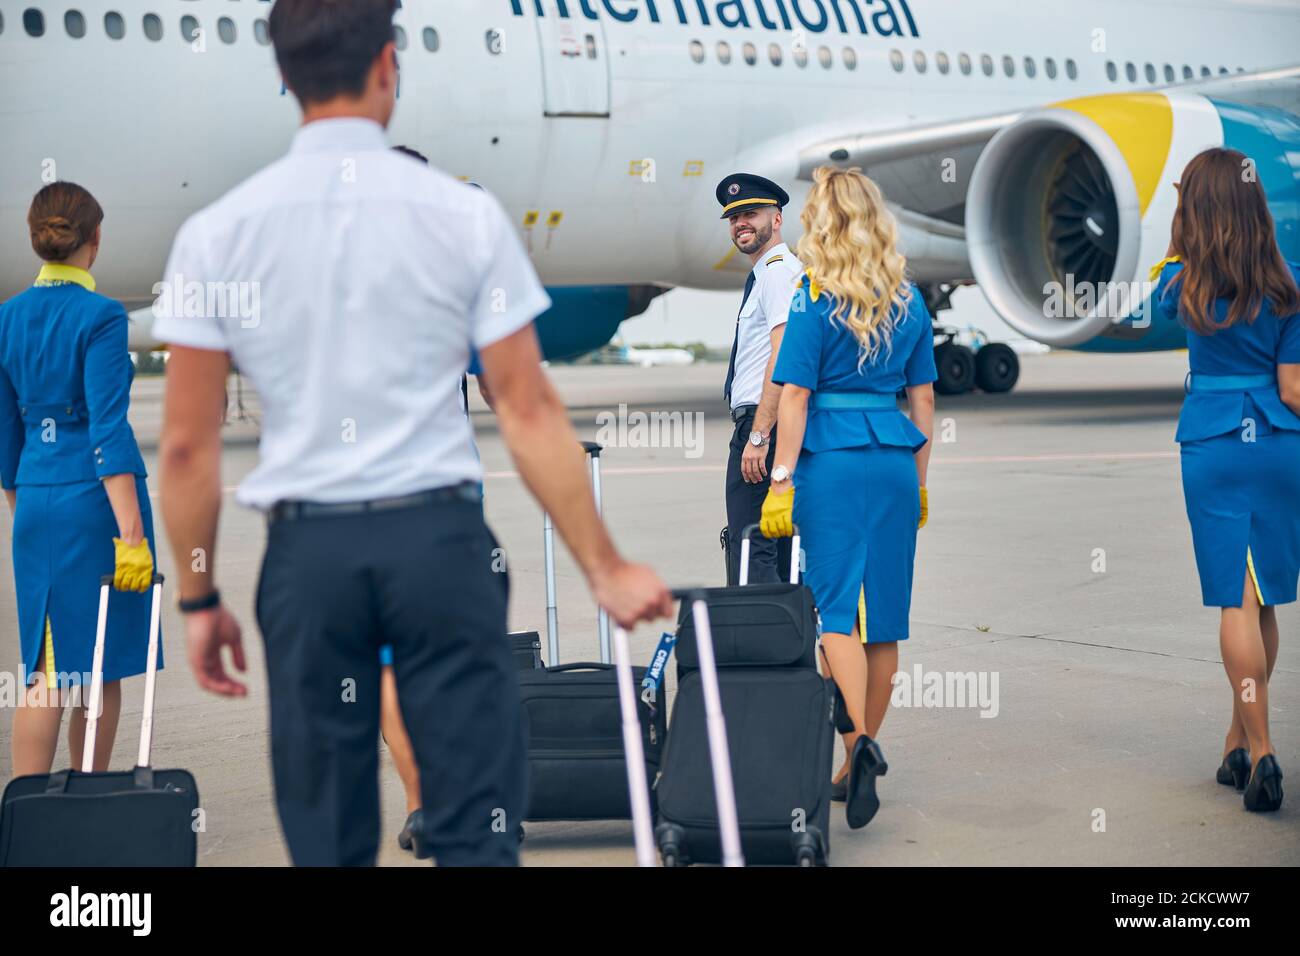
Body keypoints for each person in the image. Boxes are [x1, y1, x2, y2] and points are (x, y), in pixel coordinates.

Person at [152, 0, 672, 867]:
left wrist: (200, 598)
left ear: (283, 75)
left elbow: (185, 449)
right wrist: (605, 568)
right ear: (390, 65)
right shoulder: (463, 216)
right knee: (475, 822)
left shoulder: (216, 235)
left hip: (307, 560)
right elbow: (528, 409)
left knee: (329, 837)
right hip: (439, 547)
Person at [759, 167, 936, 830]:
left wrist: (781, 478)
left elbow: (796, 397)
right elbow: (922, 399)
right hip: (893, 461)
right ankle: (853, 759)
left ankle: (860, 742)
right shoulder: (909, 301)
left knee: (835, 615)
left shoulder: (811, 295)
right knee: (883, 619)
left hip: (831, 461)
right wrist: (919, 482)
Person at [1151, 146, 1300, 813]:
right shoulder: (1288, 283)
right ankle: (1236, 743)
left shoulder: (1179, 283)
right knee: (1264, 597)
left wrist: (1183, 218)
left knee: (1234, 601)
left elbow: (1154, 301)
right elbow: (1294, 388)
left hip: (1211, 440)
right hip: (1276, 440)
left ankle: (1263, 749)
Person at [0, 181, 157, 777]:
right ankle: (86, 807)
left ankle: (27, 815)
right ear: (95, 240)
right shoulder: (102, 316)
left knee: (45, 670)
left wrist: (27, 508)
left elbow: (5, 440)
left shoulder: (6, 318)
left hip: (35, 502)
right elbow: (108, 434)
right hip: (93, 506)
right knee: (96, 666)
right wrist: (133, 535)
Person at [718, 173, 799, 585]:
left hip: (764, 425)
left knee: (754, 549)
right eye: (733, 218)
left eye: (751, 213)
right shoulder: (769, 274)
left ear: (777, 218)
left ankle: (762, 644)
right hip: (764, 424)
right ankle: (784, 644)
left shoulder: (778, 272)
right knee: (766, 545)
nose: (740, 224)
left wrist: (759, 436)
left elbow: (785, 354)